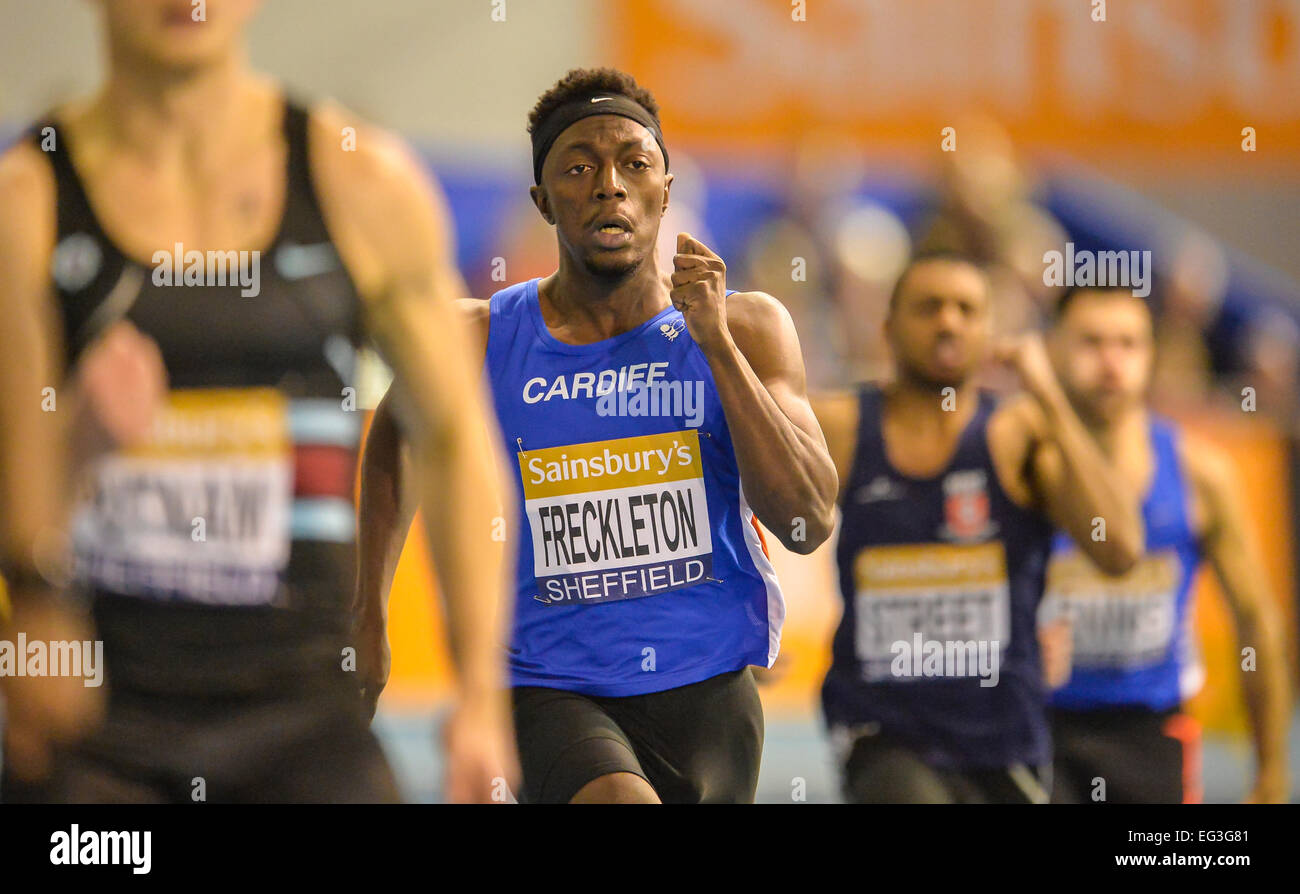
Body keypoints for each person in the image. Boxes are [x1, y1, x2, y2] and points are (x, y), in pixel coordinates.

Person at [0, 0, 515, 803]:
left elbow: (452, 438)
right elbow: (21, 495)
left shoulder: (361, 185)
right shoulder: (25, 205)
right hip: (105, 733)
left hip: (305, 729)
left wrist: (482, 696)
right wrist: (73, 459)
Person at [357, 67, 838, 804]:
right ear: (543, 201)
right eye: (579, 167)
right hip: (547, 685)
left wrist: (713, 345)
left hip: (707, 688)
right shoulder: (479, 339)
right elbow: (396, 428)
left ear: (666, 191)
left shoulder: (746, 328)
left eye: (634, 164)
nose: (609, 185)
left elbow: (807, 519)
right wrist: (366, 610)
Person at [812, 253, 1144, 803]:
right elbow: (744, 486)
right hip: (882, 732)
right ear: (889, 329)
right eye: (929, 308)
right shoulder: (844, 424)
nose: (948, 322)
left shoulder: (1018, 434)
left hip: (1004, 738)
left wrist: (1047, 394)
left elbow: (1121, 550)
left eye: (967, 309)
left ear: (989, 330)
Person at [1039, 285, 1292, 803]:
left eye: (1128, 344)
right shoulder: (1020, 468)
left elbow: (1257, 619)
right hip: (1039, 731)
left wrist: (1270, 769)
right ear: (1051, 350)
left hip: (1153, 737)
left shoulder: (1199, 473)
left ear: (1152, 355)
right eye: (1091, 343)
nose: (1111, 363)